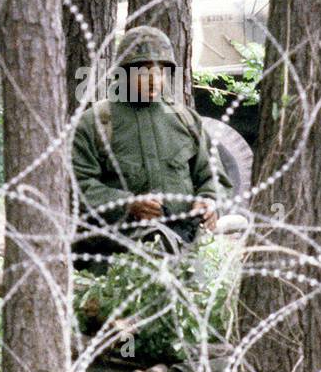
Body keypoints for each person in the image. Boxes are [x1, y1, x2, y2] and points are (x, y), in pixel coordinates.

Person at [71, 26, 222, 269]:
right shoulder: (96, 122)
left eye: (161, 71)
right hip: (114, 261)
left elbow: (211, 176)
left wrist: (208, 201)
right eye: (144, 72)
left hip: (181, 257)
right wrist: (127, 204)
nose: (155, 80)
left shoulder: (185, 120)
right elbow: (76, 186)